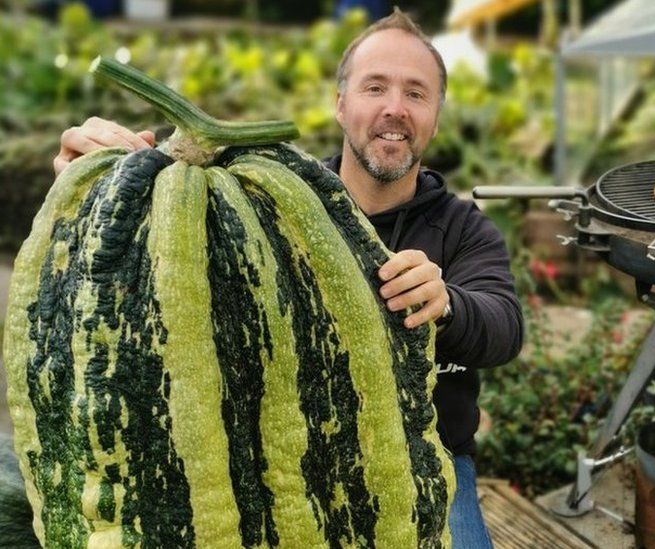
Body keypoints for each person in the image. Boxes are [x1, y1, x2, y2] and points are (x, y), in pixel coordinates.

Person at [53, 9, 523, 548]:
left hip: (428, 456)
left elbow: (505, 326)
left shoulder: (463, 229)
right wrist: (91, 190)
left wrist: (448, 303)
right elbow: (147, 284)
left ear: (436, 115)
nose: (395, 108)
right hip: (292, 465)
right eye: (375, 87)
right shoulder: (265, 207)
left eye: (416, 94)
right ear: (341, 104)